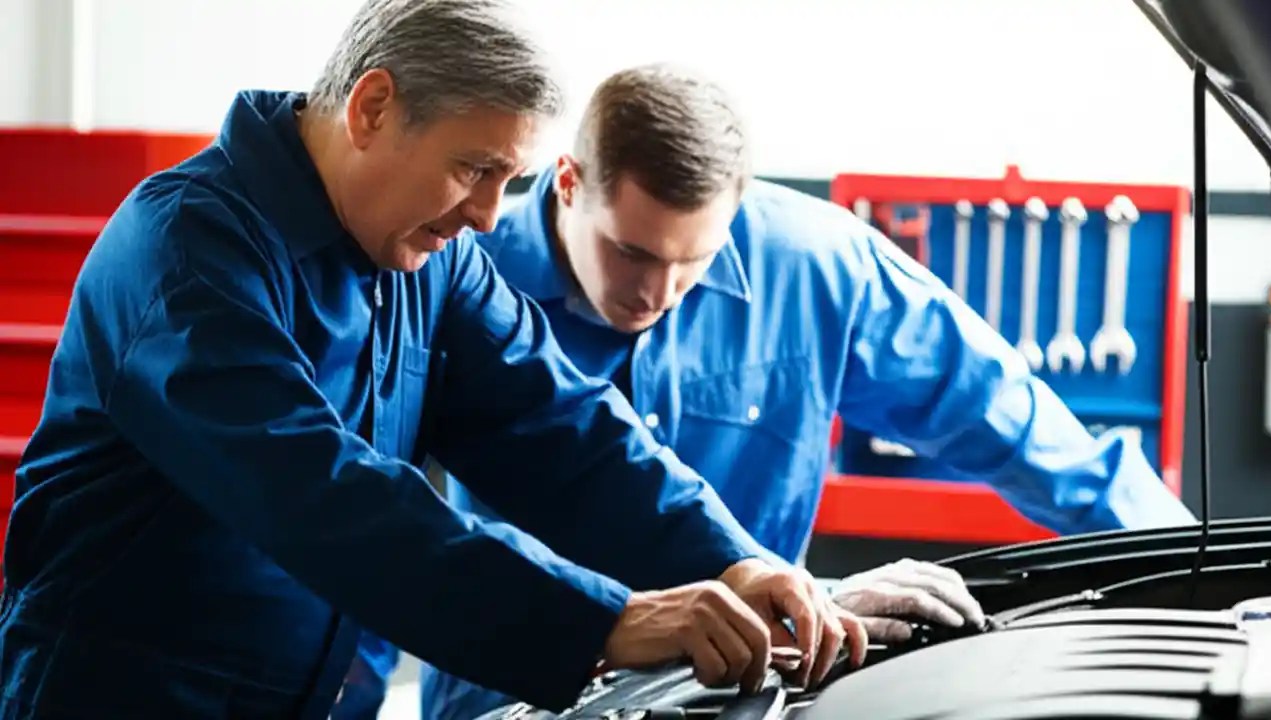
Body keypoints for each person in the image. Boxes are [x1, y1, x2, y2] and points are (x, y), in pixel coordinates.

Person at [0, 5, 869, 717]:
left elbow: (559, 424)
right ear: (373, 108)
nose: (491, 217)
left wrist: (732, 560)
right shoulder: (185, 253)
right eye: (475, 169)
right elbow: (318, 493)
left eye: (509, 178)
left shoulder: (428, 259)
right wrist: (606, 619)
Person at [336, 63, 1198, 719]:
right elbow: (370, 543)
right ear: (569, 183)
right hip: (515, 698)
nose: (657, 294)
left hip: (754, 696)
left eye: (693, 261)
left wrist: (1197, 585)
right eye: (632, 253)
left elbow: (1029, 438)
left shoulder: (820, 272)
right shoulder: (446, 275)